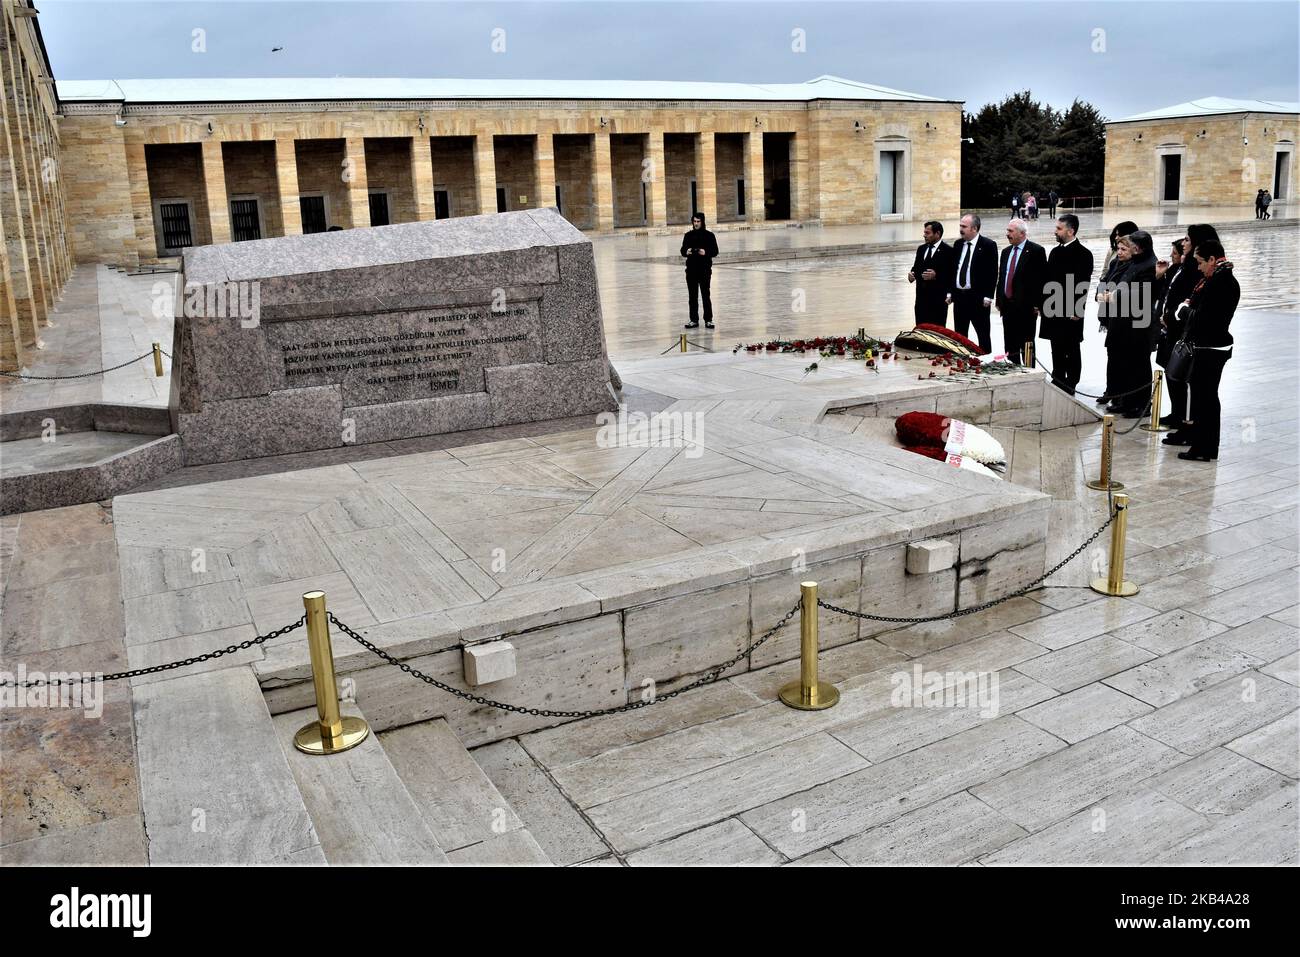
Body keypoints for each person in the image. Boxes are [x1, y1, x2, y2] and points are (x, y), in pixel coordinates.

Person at [1164, 240, 1238, 461]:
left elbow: (1204, 319)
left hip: (1210, 348)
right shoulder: (1216, 279)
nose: (1198, 267)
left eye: (1200, 262)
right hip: (1210, 346)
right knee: (1204, 398)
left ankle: (1204, 447)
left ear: (1213, 260)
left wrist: (1184, 310)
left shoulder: (1220, 283)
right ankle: (1204, 445)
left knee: (1205, 399)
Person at [1158, 223, 1219, 428]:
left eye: (1187, 239)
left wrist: (1175, 315)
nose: (1183, 243)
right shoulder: (1185, 265)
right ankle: (1177, 413)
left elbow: (1191, 299)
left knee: (1181, 375)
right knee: (1171, 372)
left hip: (1183, 329)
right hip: (1171, 326)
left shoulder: (1199, 270)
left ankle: (1185, 418)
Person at [1097, 230, 1158, 417]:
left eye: (1129, 247)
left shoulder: (1150, 265)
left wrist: (1113, 296)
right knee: (1125, 364)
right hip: (1123, 322)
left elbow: (1142, 293)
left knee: (1139, 366)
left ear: (1138, 248)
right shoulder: (1135, 262)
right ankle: (1126, 400)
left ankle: (1142, 405)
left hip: (1138, 324)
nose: (1125, 251)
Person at [1039, 213, 1094, 394]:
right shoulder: (1055, 252)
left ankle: (1071, 381)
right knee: (1056, 345)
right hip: (1053, 307)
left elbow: (1082, 283)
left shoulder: (1084, 254)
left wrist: (1078, 308)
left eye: (1059, 229)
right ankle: (1058, 376)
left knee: (1071, 346)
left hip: (1071, 310)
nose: (1055, 231)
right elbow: (1047, 279)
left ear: (1070, 231)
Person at [1094, 219, 1139, 405]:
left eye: (1123, 248)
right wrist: (1100, 293)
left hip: (1126, 317)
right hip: (1111, 313)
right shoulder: (1115, 261)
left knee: (1124, 358)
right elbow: (1105, 276)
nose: (1118, 250)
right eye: (1118, 246)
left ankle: (1123, 395)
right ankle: (1112, 390)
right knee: (1112, 355)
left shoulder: (1136, 266)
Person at [994, 218, 1047, 364]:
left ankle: (1029, 371)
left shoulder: (1036, 251)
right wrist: (999, 299)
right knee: (1010, 344)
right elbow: (1002, 277)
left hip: (1027, 308)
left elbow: (1041, 280)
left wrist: (1038, 304)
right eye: (1007, 230)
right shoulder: (1005, 252)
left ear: (1022, 233)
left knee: (1027, 343)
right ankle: (1013, 370)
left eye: (1010, 231)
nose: (1007, 234)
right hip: (1007, 306)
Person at [946, 213, 999, 354]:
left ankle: (986, 360)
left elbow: (992, 273)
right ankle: (962, 360)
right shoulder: (958, 244)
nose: (961, 229)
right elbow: (953, 270)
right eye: (960, 226)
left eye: (964, 226)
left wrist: (989, 295)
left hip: (978, 299)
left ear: (974, 228)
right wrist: (950, 292)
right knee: (960, 335)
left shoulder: (988, 245)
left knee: (983, 333)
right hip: (960, 298)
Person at [908, 220, 956, 326]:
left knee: (936, 333)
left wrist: (936, 275)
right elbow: (916, 268)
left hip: (938, 302)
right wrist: (912, 274)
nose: (924, 235)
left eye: (927, 233)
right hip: (921, 301)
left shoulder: (948, 251)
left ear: (937, 234)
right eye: (924, 232)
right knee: (921, 332)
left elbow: (952, 275)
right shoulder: (921, 249)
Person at [681, 212, 718, 329]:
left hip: (704, 270)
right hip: (691, 271)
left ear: (702, 222)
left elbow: (715, 251)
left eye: (698, 221)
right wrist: (687, 251)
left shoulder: (709, 236)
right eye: (694, 221)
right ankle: (693, 320)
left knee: (705, 295)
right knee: (692, 296)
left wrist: (705, 252)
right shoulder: (688, 235)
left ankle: (708, 320)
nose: (696, 224)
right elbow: (682, 250)